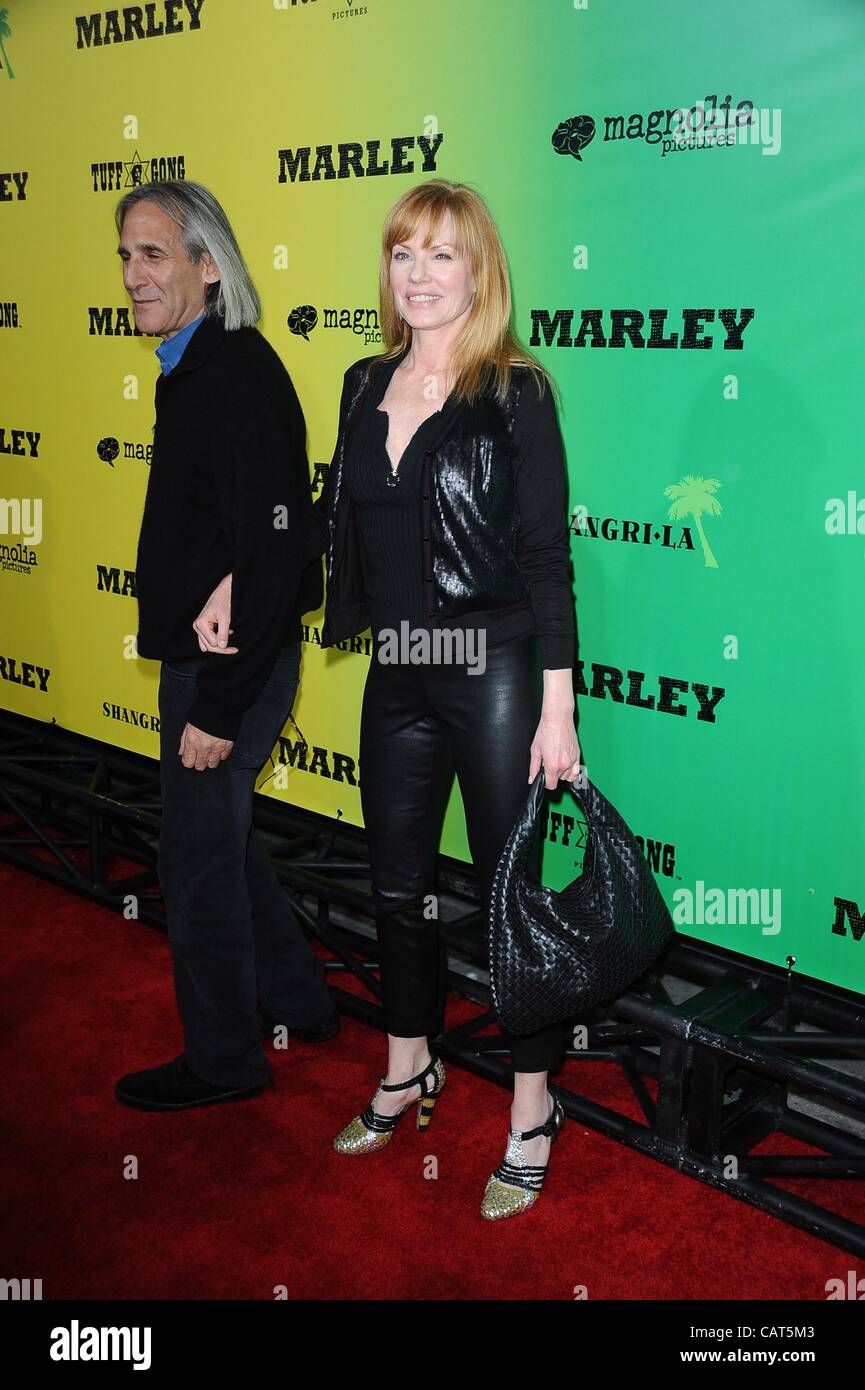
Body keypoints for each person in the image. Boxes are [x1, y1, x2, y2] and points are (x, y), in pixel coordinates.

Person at [199, 179, 581, 1218]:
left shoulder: (515, 390)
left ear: (479, 270)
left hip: (498, 673)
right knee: (396, 889)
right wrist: (244, 578)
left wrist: (559, 709)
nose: (418, 274)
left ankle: (534, 1107)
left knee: (512, 905)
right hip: (399, 672)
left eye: (441, 255)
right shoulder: (362, 381)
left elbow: (546, 558)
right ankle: (409, 1062)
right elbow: (332, 528)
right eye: (403, 253)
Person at [113, 179, 339, 1113]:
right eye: (125, 255)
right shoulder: (194, 367)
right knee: (228, 846)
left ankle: (225, 1059)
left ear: (210, 266)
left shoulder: (235, 372)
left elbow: (280, 544)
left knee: (197, 863)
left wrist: (216, 701)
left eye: (153, 253)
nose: (133, 274)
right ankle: (299, 1003)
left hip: (227, 669)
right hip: (220, 658)